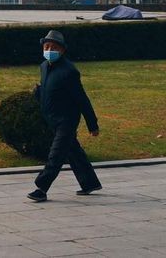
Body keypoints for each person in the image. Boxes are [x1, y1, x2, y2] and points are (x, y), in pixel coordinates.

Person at [27, 29, 102, 202]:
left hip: (66, 121)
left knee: (56, 155)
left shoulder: (70, 72)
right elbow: (47, 88)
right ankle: (90, 183)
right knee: (74, 151)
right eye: (47, 46)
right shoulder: (44, 66)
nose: (49, 50)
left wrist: (92, 125)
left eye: (54, 47)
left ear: (62, 50)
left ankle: (41, 188)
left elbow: (82, 99)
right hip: (51, 118)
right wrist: (38, 92)